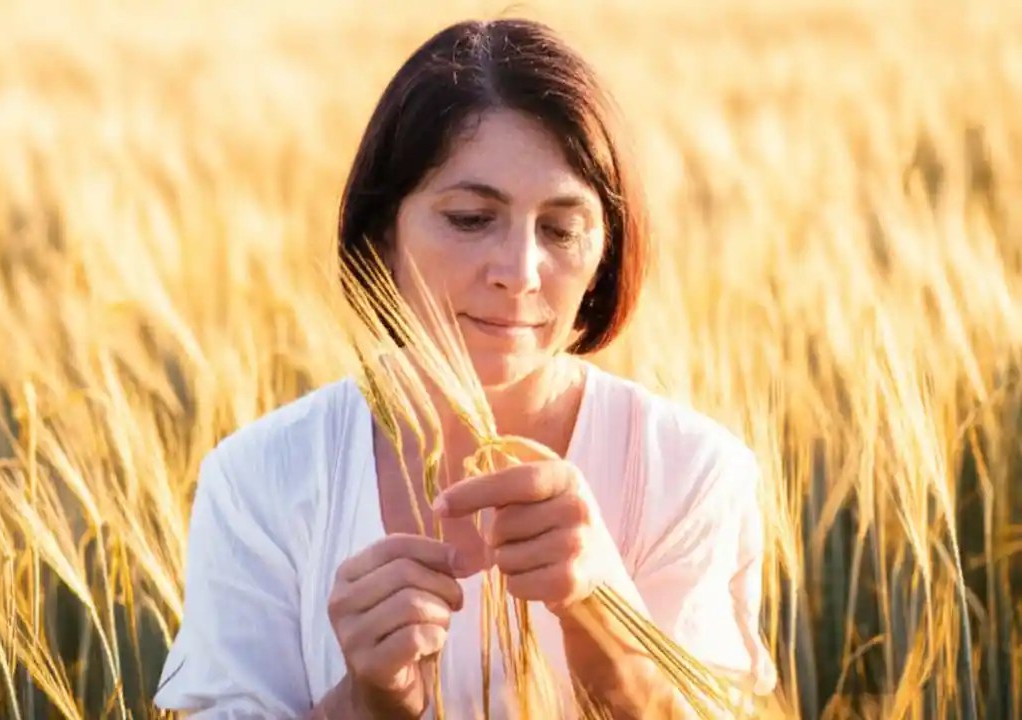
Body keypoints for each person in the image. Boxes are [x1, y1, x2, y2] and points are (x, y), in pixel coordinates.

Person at [153, 17, 777, 719]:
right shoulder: (261, 479)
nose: (519, 271)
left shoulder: (690, 472)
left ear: (607, 250)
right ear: (382, 234)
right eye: (472, 218)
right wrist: (364, 702)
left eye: (561, 228)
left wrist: (610, 625)